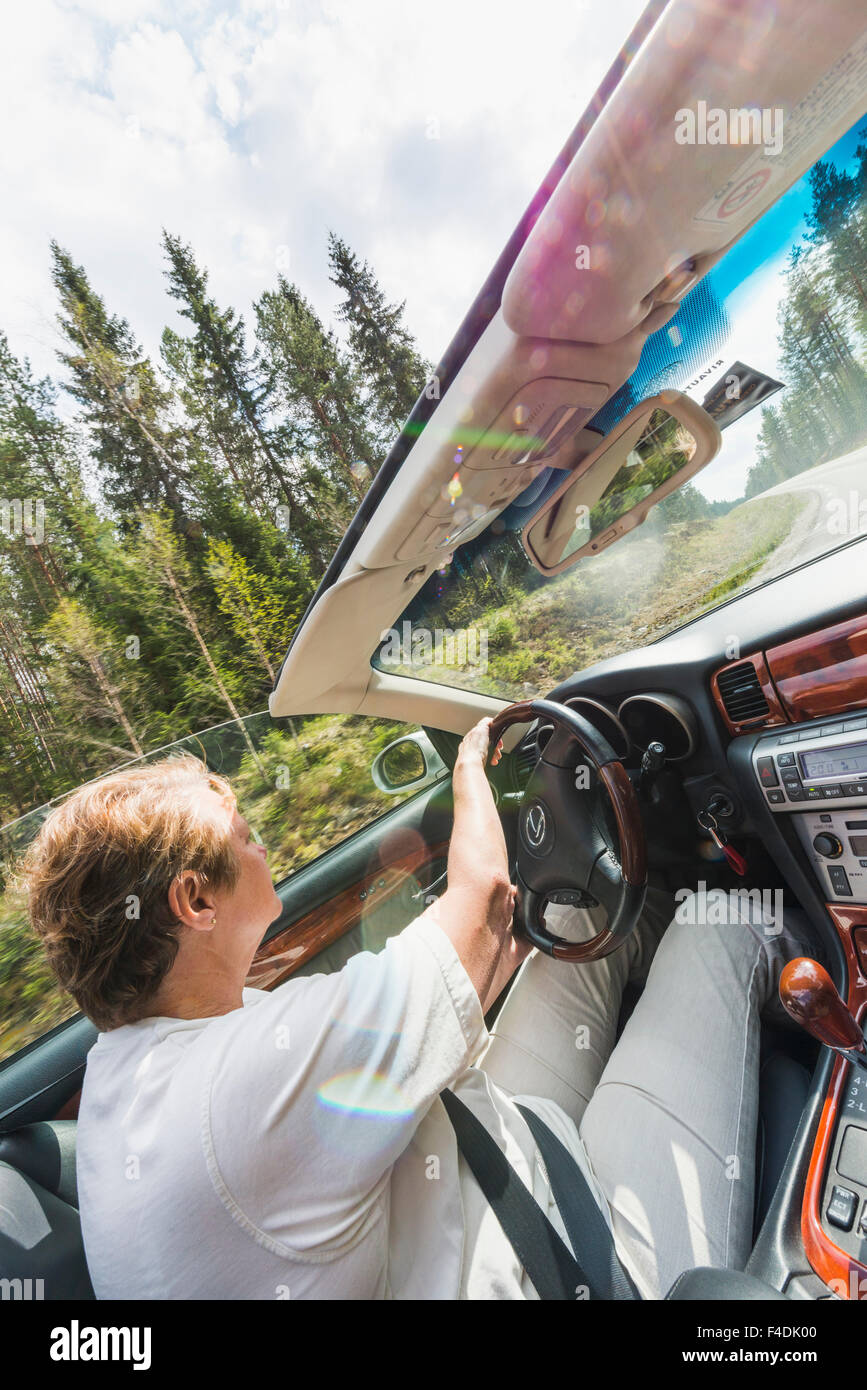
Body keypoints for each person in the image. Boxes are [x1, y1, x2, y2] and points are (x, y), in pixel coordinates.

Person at [25, 716, 810, 1299]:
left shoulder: (125, 1083)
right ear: (194, 899)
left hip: (491, 1160)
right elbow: (483, 906)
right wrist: (471, 763)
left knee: (575, 920)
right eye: (246, 835)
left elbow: (475, 961)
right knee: (726, 923)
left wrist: (491, 951)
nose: (264, 848)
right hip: (578, 1259)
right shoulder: (238, 1089)